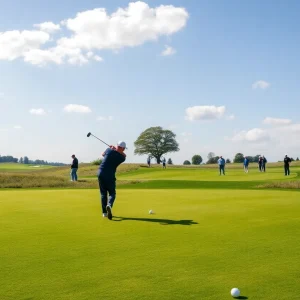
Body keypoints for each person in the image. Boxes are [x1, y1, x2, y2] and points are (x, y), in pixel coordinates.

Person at [97, 141, 126, 220]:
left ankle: (104, 213)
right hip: (110, 175)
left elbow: (102, 154)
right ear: (123, 149)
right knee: (112, 193)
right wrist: (116, 149)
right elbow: (124, 155)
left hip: (101, 173)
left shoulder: (109, 150)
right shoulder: (122, 158)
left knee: (103, 194)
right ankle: (109, 205)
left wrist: (111, 148)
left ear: (117, 146)